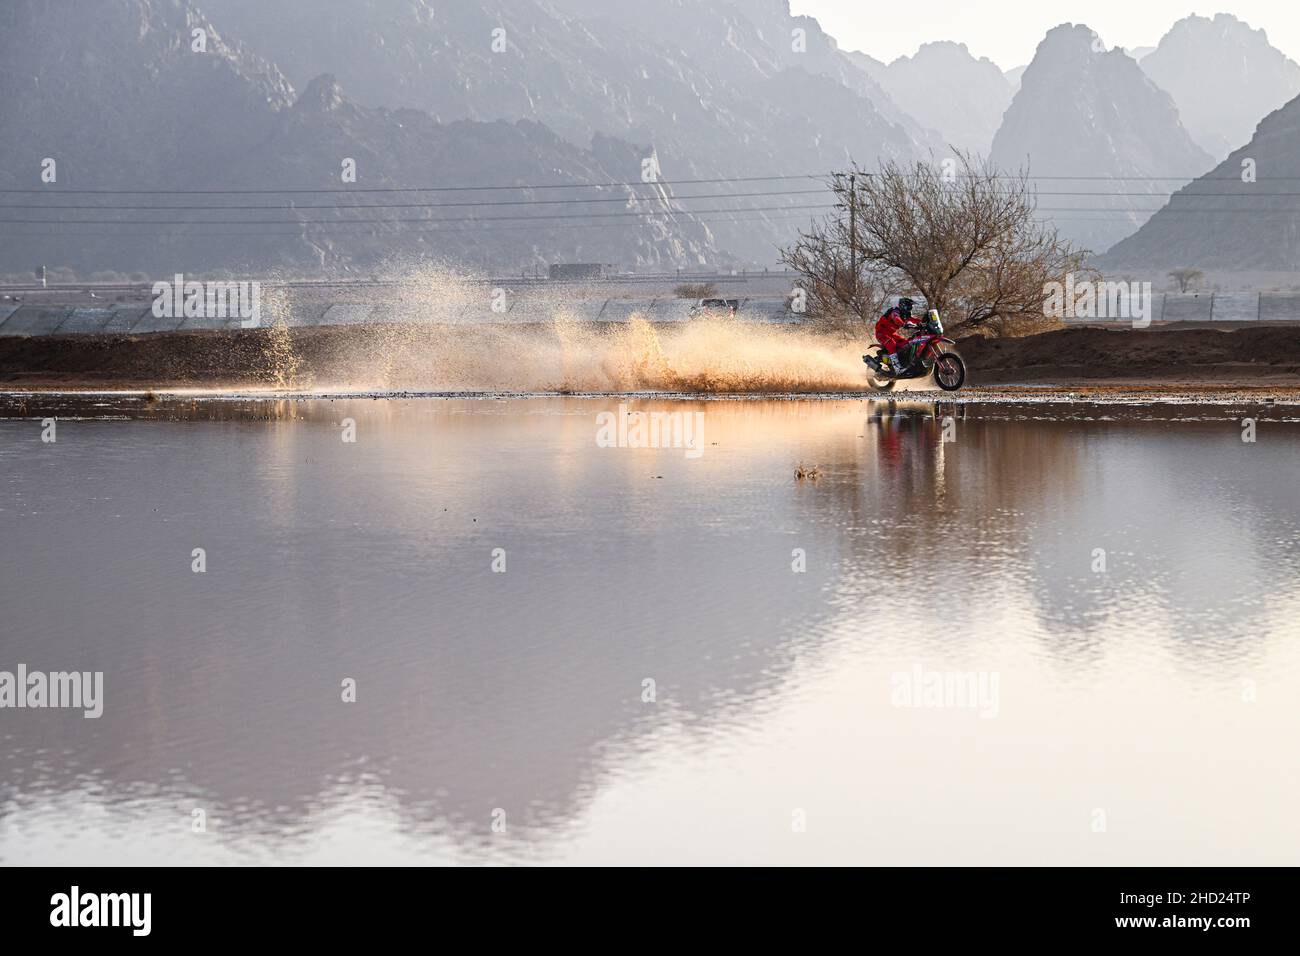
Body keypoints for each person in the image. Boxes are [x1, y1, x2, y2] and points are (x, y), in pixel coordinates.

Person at [875, 296, 922, 373]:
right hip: (881, 333)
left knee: (906, 343)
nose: (910, 308)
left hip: (891, 334)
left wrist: (925, 322)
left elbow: (914, 320)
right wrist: (903, 324)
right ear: (903, 305)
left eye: (911, 307)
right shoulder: (895, 311)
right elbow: (896, 318)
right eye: (909, 306)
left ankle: (904, 362)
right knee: (892, 344)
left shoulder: (905, 314)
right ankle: (897, 368)